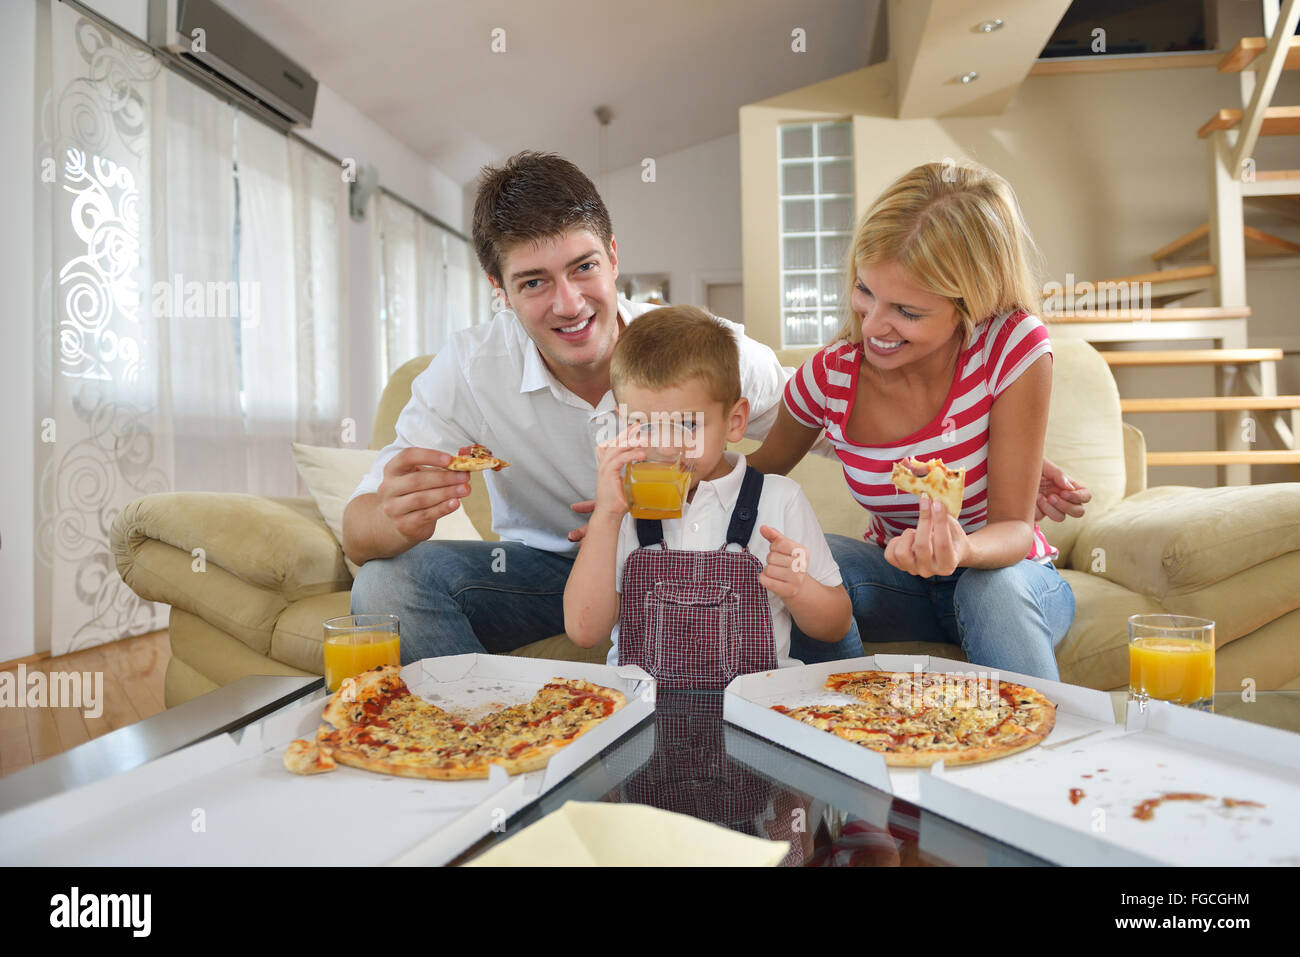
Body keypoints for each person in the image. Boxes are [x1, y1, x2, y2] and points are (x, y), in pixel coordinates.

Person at [344, 149, 1087, 666]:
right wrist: (391, 514)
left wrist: (989, 448)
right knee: (385, 583)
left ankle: (833, 759)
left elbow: (806, 440)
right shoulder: (467, 373)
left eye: (583, 268)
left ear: (612, 252)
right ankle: (490, 755)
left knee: (797, 574)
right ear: (497, 287)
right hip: (545, 572)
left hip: (694, 562)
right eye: (534, 282)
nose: (569, 303)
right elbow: (359, 528)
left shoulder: (711, 354)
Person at [747, 161, 1078, 681]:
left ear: (971, 302)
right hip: (898, 583)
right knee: (805, 557)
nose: (872, 325)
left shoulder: (1012, 347)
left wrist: (962, 550)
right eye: (865, 290)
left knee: (988, 587)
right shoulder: (831, 375)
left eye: (907, 310)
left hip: (1007, 579)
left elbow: (1015, 528)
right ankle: (851, 726)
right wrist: (644, 498)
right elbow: (751, 478)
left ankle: (1033, 752)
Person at [563, 306, 851, 686]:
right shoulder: (622, 510)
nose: (665, 448)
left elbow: (835, 625)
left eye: (686, 425)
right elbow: (584, 633)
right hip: (644, 713)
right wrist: (606, 517)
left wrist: (800, 589)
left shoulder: (780, 499)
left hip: (753, 713)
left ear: (734, 421)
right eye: (643, 426)